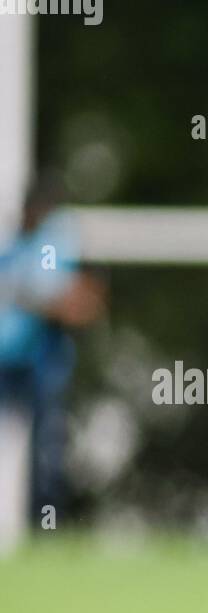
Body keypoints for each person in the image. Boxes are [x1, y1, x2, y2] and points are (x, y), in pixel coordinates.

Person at [0, 175, 105, 525]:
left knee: (46, 451)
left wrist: (45, 301)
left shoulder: (58, 240)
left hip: (41, 359)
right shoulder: (16, 246)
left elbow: (80, 303)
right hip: (9, 359)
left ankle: (45, 525)